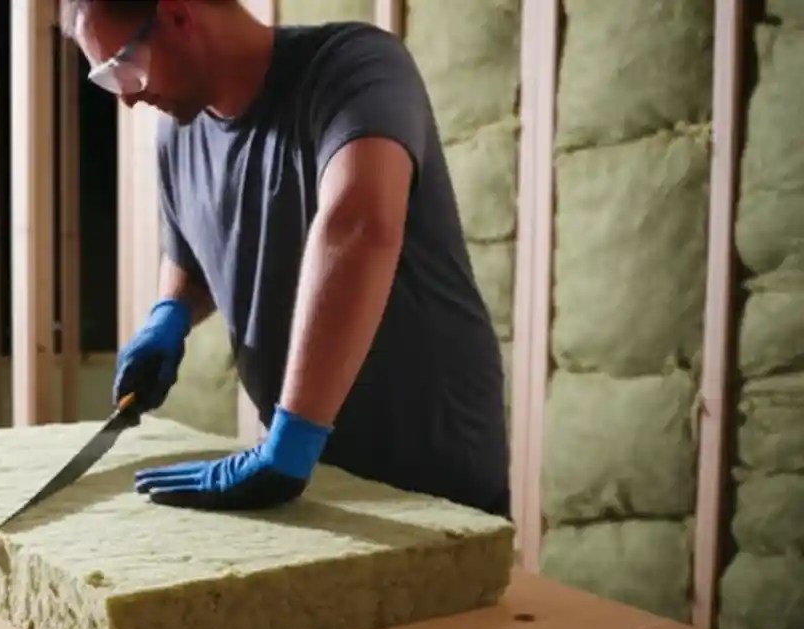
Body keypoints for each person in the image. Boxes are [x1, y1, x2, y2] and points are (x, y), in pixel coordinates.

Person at [60, 0, 511, 518]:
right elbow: (191, 250)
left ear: (178, 14)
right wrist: (171, 315)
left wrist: (290, 441)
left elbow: (358, 225)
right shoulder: (177, 134)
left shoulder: (352, 68)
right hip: (314, 471)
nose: (130, 99)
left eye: (124, 67)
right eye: (109, 80)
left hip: (428, 462)